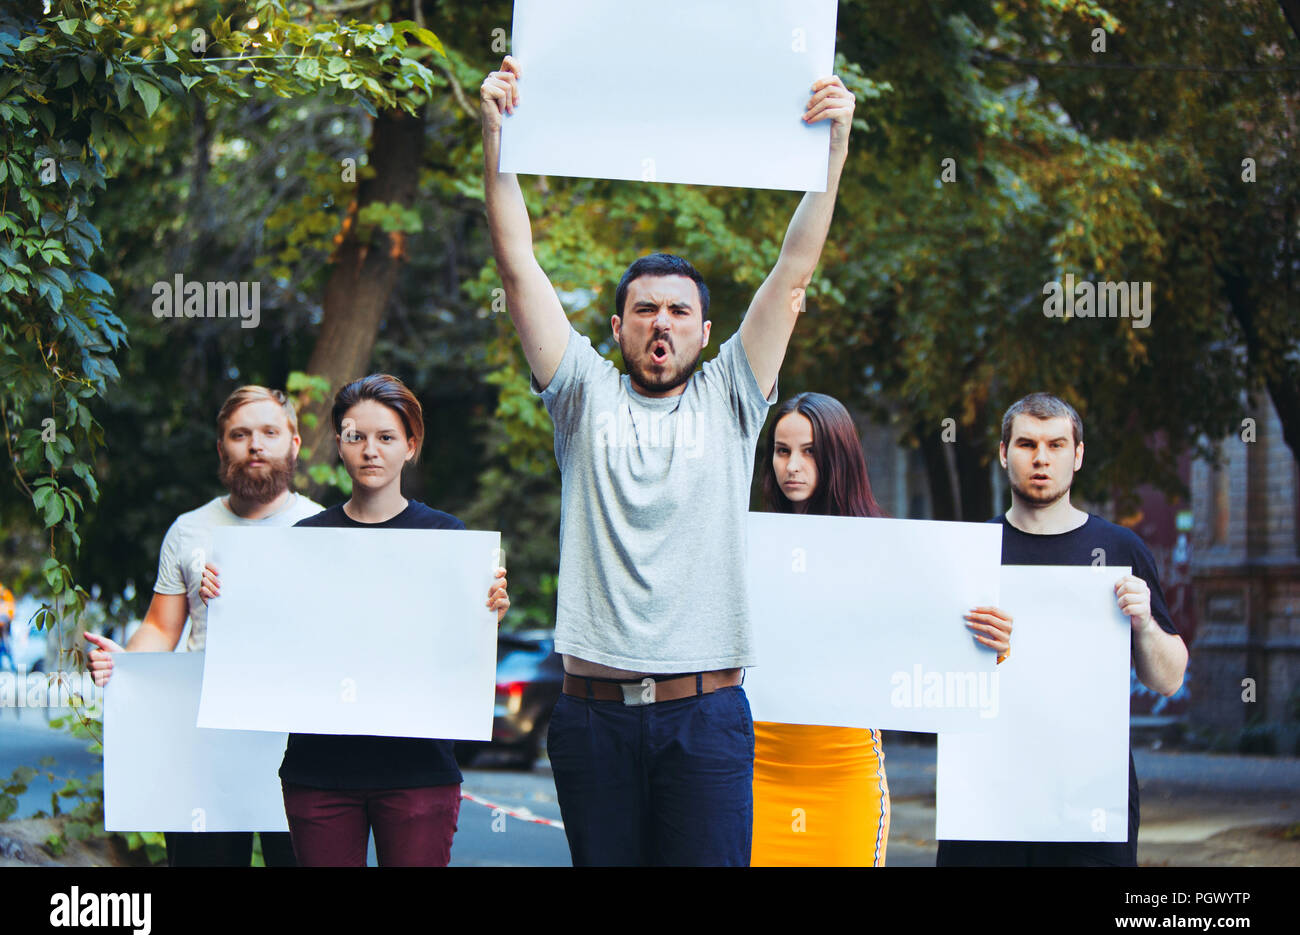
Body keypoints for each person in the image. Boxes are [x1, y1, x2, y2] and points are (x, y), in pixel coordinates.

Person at [480, 55, 856, 865]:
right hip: (593, 716)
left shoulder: (732, 396)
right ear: (616, 328)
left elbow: (793, 275)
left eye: (680, 311)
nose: (662, 322)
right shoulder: (582, 394)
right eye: (644, 308)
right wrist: (497, 140)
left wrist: (830, 156)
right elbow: (518, 268)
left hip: (707, 716)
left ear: (705, 332)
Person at [210, 374, 509, 867]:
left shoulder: (448, 538)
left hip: (419, 772)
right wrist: (225, 597)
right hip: (320, 774)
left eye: (387, 437)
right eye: (356, 436)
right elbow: (272, 641)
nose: (371, 450)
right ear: (340, 445)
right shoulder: (303, 539)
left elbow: (458, 654)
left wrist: (490, 612)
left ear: (411, 446)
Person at [755, 392, 1013, 866]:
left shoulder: (885, 548)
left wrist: (992, 644)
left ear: (838, 457)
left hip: (844, 777)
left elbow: (941, 641)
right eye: (782, 449)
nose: (792, 464)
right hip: (755, 777)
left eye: (810, 451)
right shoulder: (753, 546)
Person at [937, 391, 1188, 867]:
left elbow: (1169, 679)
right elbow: (929, 680)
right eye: (1027, 444)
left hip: (1090, 800)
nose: (1040, 458)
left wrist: (1145, 623)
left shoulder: (1121, 549)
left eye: (1055, 445)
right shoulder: (967, 553)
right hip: (985, 799)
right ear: (1003, 454)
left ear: (1077, 456)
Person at [84, 385, 324, 867]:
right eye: (240, 434)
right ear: (222, 448)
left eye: (270, 432)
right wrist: (126, 668)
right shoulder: (188, 529)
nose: (255, 444)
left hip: (301, 742)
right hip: (203, 742)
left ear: (294, 444)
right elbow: (160, 626)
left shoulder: (325, 529)